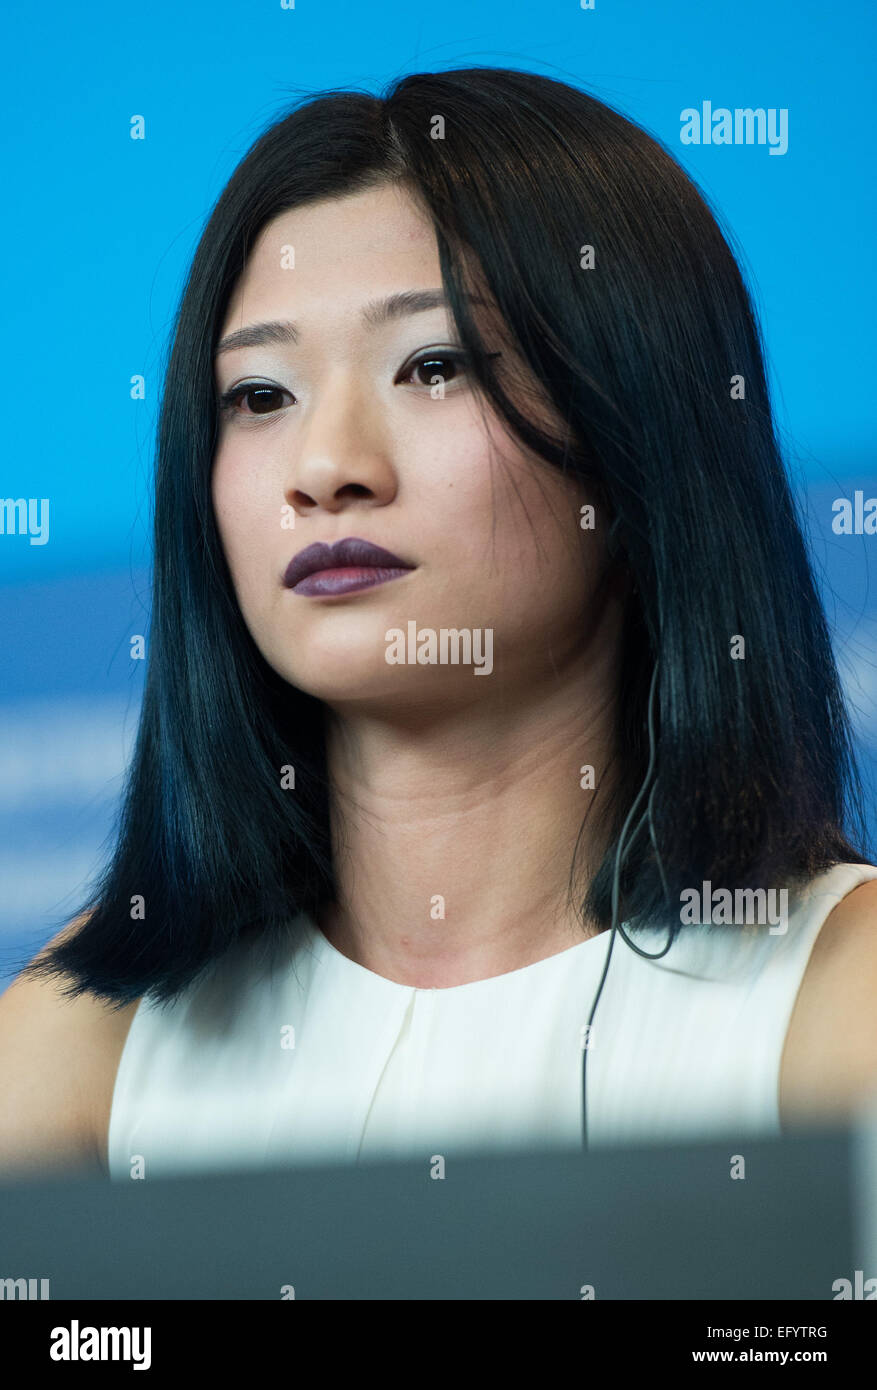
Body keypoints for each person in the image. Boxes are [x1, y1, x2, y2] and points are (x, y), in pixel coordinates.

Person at [1, 66, 876, 1183]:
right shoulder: (74, 1052)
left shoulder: (842, 1005)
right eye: (260, 395)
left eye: (433, 365)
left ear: (637, 435)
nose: (326, 469)